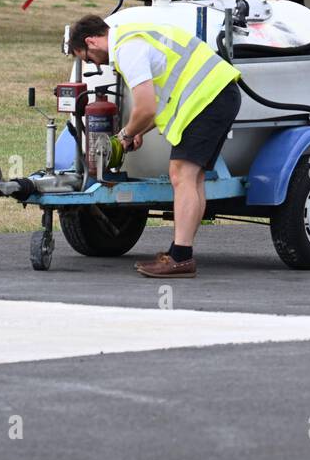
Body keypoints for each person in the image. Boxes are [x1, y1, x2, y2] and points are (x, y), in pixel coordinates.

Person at [67, 14, 241, 278]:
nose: (93, 64)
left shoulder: (127, 49)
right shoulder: (133, 35)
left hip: (208, 99)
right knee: (192, 178)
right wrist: (139, 130)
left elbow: (146, 108)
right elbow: (160, 102)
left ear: (91, 41)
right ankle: (180, 253)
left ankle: (181, 258)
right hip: (216, 95)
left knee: (181, 174)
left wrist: (125, 135)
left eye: (87, 57)